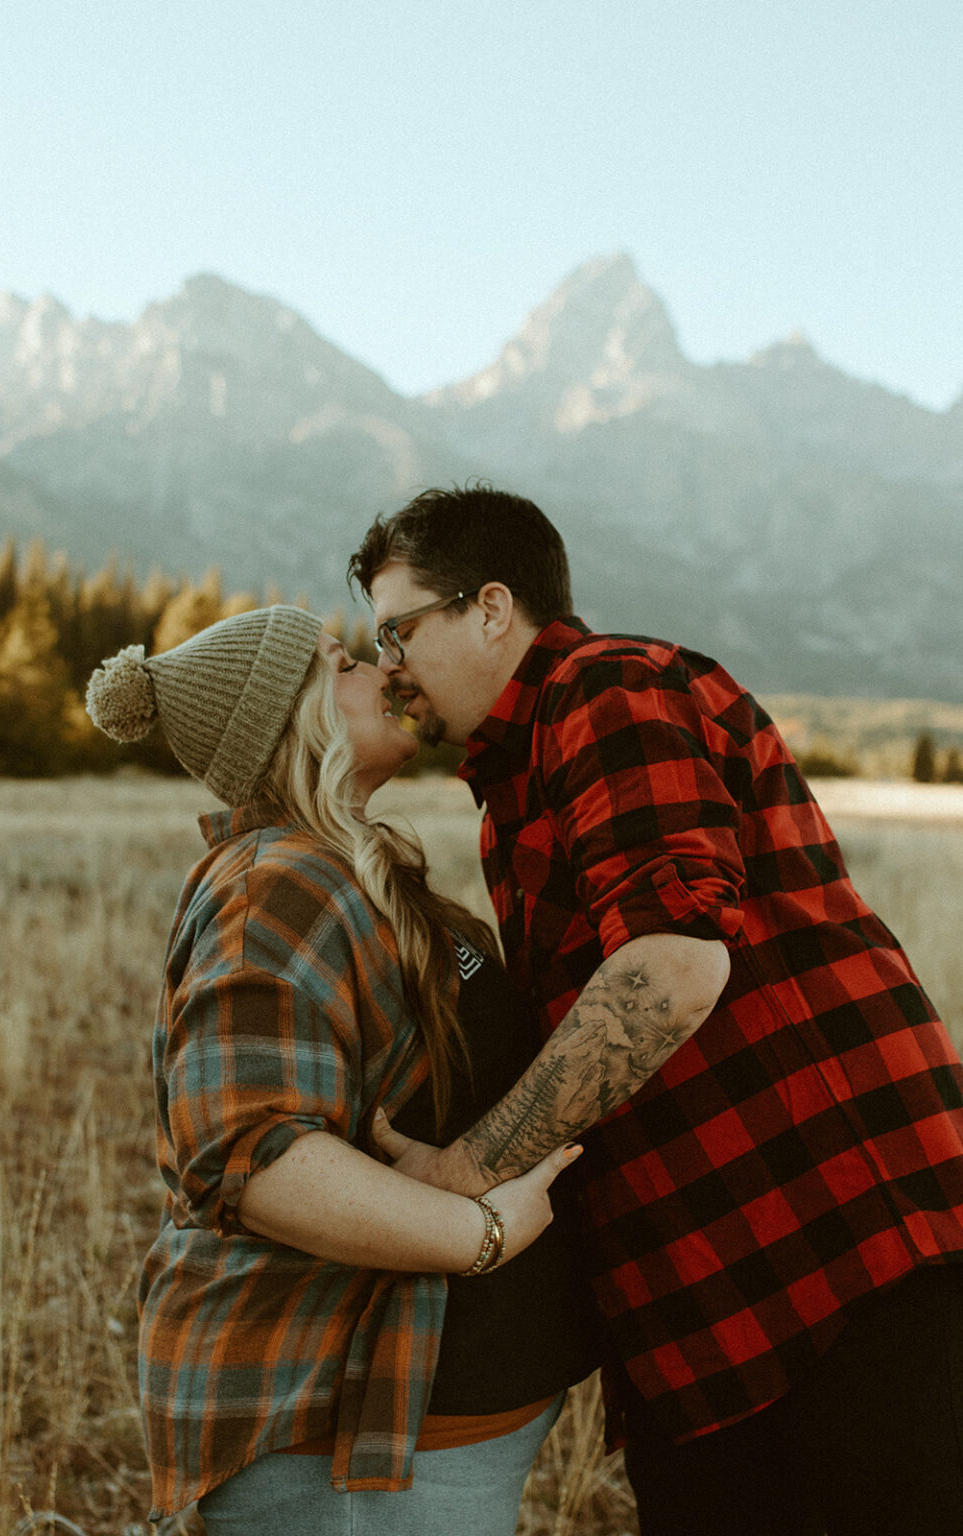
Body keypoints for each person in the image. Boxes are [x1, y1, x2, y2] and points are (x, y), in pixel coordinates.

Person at [348, 483, 963, 1536]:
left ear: (491, 608)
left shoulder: (607, 691)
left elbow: (669, 972)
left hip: (842, 1265)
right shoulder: (514, 783)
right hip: (719, 1302)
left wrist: (459, 1179)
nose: (389, 669)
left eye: (397, 631)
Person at [84, 604, 601, 1535]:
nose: (383, 671)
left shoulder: (348, 868)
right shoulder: (278, 883)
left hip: (418, 1442)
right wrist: (481, 1232)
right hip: (353, 1449)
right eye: (344, 663)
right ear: (294, 718)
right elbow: (251, 1153)